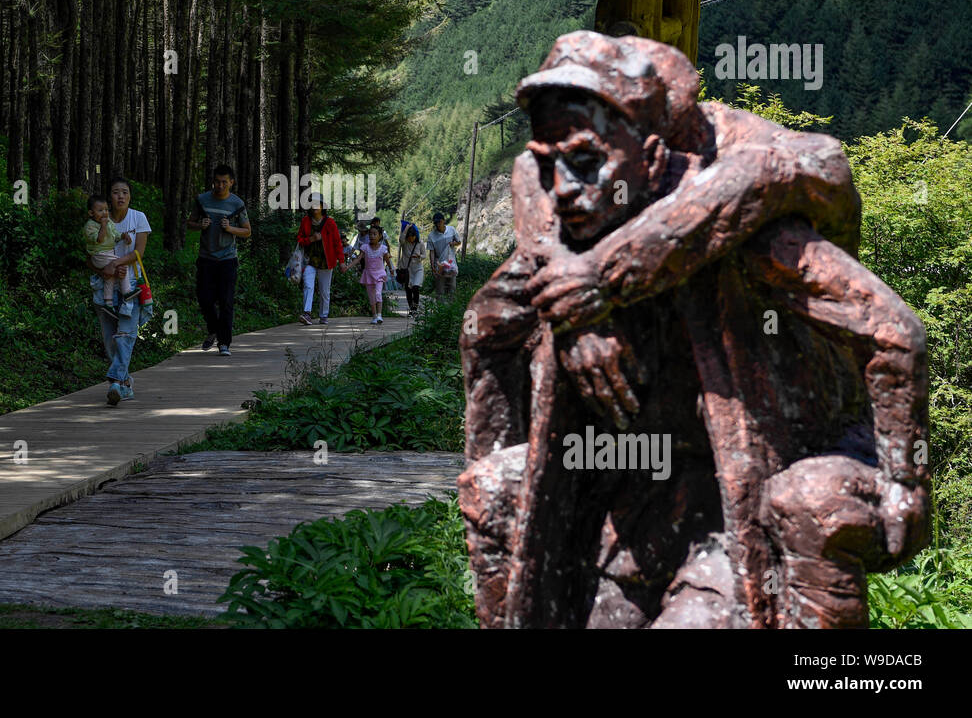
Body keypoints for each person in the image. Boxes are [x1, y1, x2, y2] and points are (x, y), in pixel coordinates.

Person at [458, 31, 927, 629]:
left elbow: (894, 332)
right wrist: (498, 452)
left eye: (585, 162)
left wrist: (906, 485)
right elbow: (486, 326)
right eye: (552, 167)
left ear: (652, 158)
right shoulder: (559, 226)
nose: (564, 191)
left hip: (743, 499)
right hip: (631, 497)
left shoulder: (753, 236)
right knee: (504, 496)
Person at [86, 176, 151, 407]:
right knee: (110, 339)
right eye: (115, 192)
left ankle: (115, 381)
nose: (120, 196)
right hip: (103, 286)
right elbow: (90, 255)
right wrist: (105, 269)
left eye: (124, 192)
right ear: (109, 197)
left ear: (130, 196)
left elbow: (139, 252)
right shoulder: (97, 219)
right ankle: (124, 385)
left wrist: (117, 264)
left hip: (130, 286)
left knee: (126, 334)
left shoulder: (138, 218)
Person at [186, 163, 251, 356]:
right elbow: (190, 223)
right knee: (204, 299)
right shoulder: (202, 200)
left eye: (224, 182)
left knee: (226, 301)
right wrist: (200, 225)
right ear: (212, 181)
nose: (220, 185)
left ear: (231, 182)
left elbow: (247, 231)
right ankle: (213, 328)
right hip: (206, 258)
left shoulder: (237, 204)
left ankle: (224, 343)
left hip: (227, 259)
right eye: (217, 181)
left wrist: (231, 229)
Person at [84, 194, 136, 320]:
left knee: (110, 277)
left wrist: (123, 236)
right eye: (100, 210)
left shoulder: (109, 223)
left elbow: (115, 236)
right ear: (91, 213)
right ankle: (127, 292)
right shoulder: (90, 226)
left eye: (106, 210)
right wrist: (103, 225)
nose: (104, 213)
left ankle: (108, 303)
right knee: (121, 264)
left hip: (108, 254)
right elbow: (99, 239)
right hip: (98, 255)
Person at [296, 195, 343, 325]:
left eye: (317, 203)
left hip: (327, 262)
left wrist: (342, 261)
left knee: (324, 290)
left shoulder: (330, 223)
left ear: (323, 206)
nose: (314, 206)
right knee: (308, 285)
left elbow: (337, 243)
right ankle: (307, 313)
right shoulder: (305, 221)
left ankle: (324, 315)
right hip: (309, 260)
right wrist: (310, 239)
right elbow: (299, 239)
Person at [344, 222, 393, 324]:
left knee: (378, 293)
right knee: (371, 296)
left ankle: (379, 315)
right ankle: (374, 316)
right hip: (368, 275)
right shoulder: (365, 247)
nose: (372, 236)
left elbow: (388, 261)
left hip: (379, 274)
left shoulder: (383, 249)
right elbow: (358, 259)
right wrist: (347, 267)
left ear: (380, 236)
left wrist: (391, 269)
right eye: (370, 234)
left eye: (375, 234)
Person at [427, 212, 461, 296]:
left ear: (443, 221)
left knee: (452, 287)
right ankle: (441, 307)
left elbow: (459, 242)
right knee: (440, 290)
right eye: (436, 223)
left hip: (450, 263)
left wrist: (453, 243)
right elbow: (431, 252)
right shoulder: (431, 236)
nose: (438, 224)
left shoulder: (451, 230)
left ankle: (452, 307)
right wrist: (432, 267)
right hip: (439, 264)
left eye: (439, 222)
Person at [397, 224, 427, 312]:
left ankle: (415, 308)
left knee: (415, 287)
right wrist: (406, 228)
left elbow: (424, 255)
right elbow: (400, 239)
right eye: (409, 237)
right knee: (408, 289)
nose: (410, 239)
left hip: (418, 268)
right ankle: (411, 308)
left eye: (412, 237)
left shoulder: (420, 243)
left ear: (415, 236)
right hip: (407, 269)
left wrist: (419, 256)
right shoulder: (404, 243)